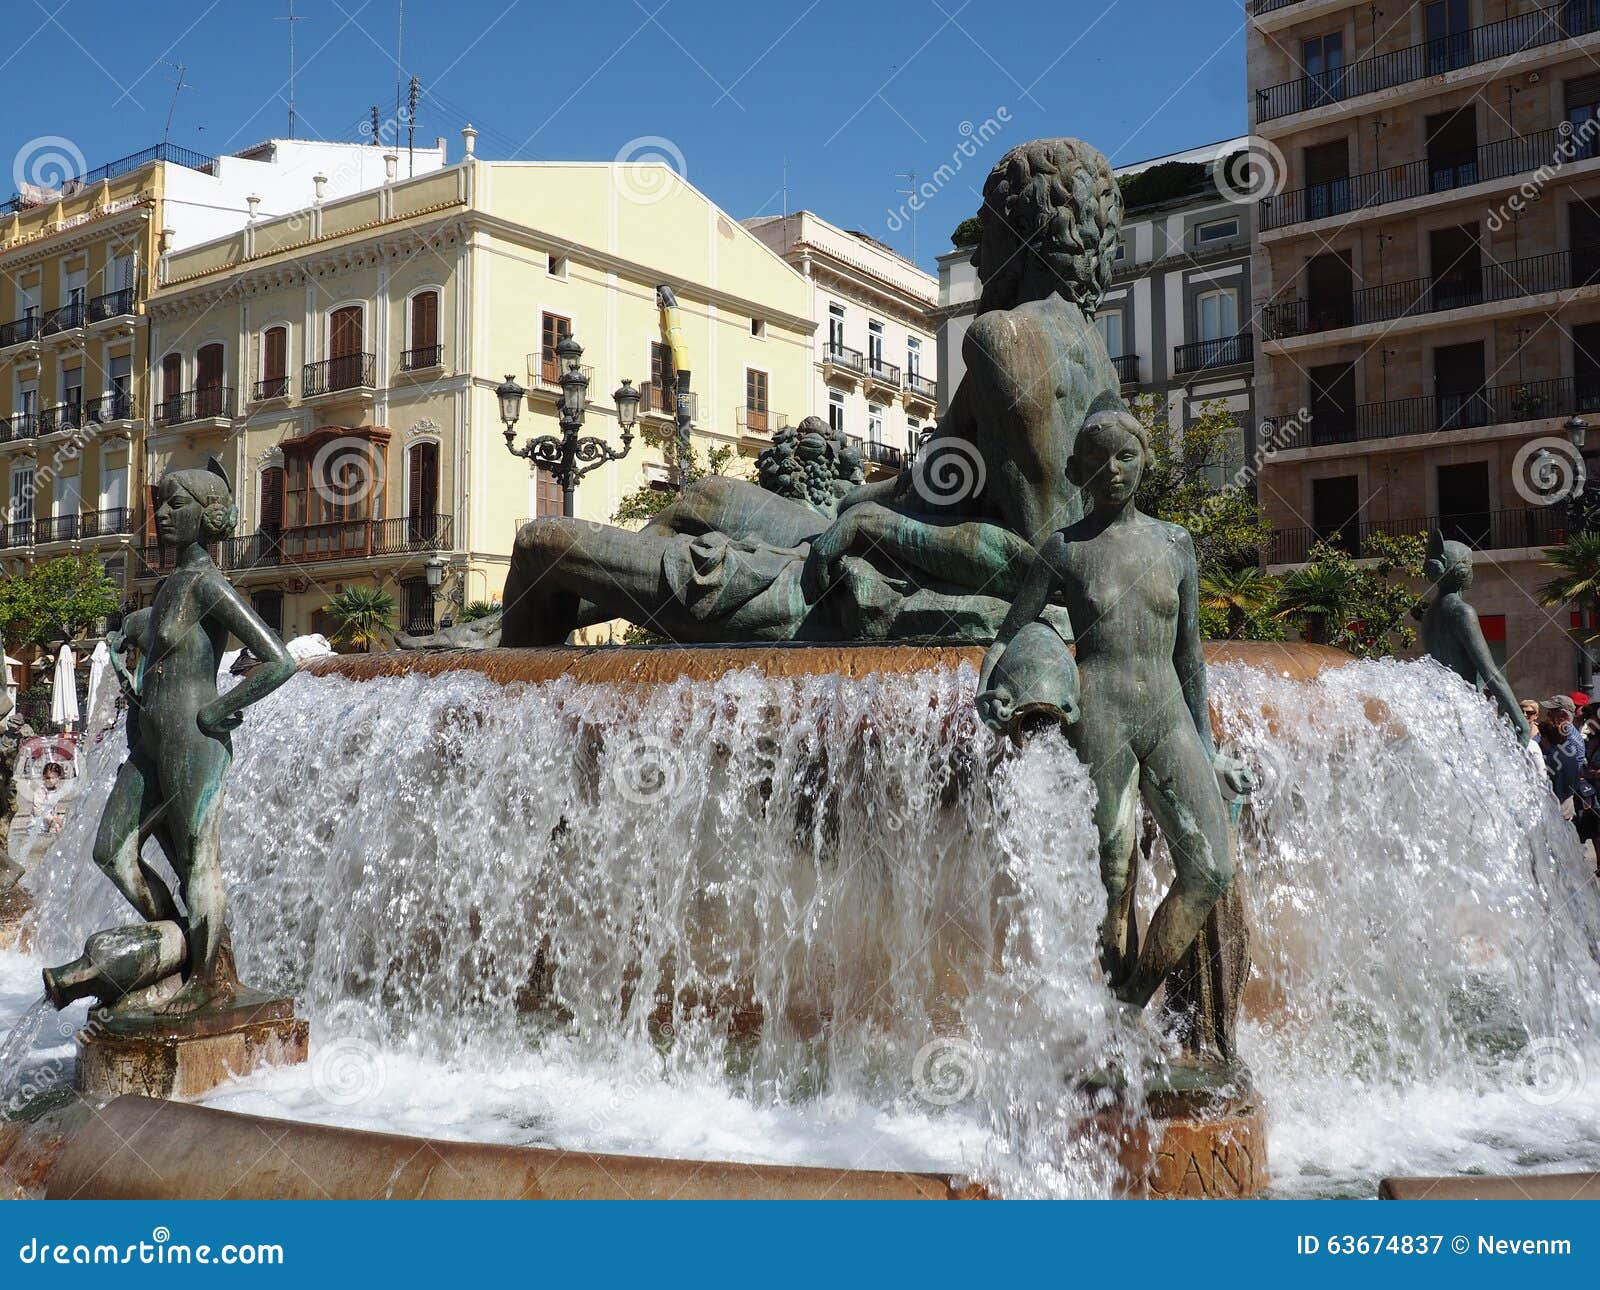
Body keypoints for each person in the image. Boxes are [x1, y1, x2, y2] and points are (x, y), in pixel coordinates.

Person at [976, 405, 1253, 1008]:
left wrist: (1210, 752)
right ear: (1078, 471)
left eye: (1126, 456)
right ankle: (1114, 1024)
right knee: (1114, 877)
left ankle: (1131, 1003)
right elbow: (1008, 633)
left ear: (1145, 461)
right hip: (1100, 715)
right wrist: (989, 690)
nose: (1114, 470)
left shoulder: (1175, 544)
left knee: (1210, 871)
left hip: (1168, 714)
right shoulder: (1064, 547)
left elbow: (1191, 657)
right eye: (1098, 461)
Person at [95, 460, 295, 1015]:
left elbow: (280, 660)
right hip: (150, 745)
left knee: (198, 864)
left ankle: (206, 984)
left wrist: (220, 711)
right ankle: (177, 946)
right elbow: (148, 630)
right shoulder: (168, 586)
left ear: (208, 517)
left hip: (193, 739)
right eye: (159, 503)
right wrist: (121, 635)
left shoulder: (209, 584)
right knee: (111, 853)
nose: (161, 514)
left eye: (175, 504)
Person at [1540, 695, 1588, 825]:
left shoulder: (1568, 738)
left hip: (1562, 796)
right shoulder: (1565, 733)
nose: (1548, 714)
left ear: (1563, 715)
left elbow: (1569, 770)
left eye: (1551, 711)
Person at [31, 761, 69, 835]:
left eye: (54, 778)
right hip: (35, 827)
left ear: (58, 778)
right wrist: (53, 819)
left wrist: (57, 826)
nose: (51, 780)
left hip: (45, 828)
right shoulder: (40, 791)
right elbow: (37, 811)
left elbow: (54, 811)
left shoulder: (56, 792)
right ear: (44, 777)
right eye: (48, 778)